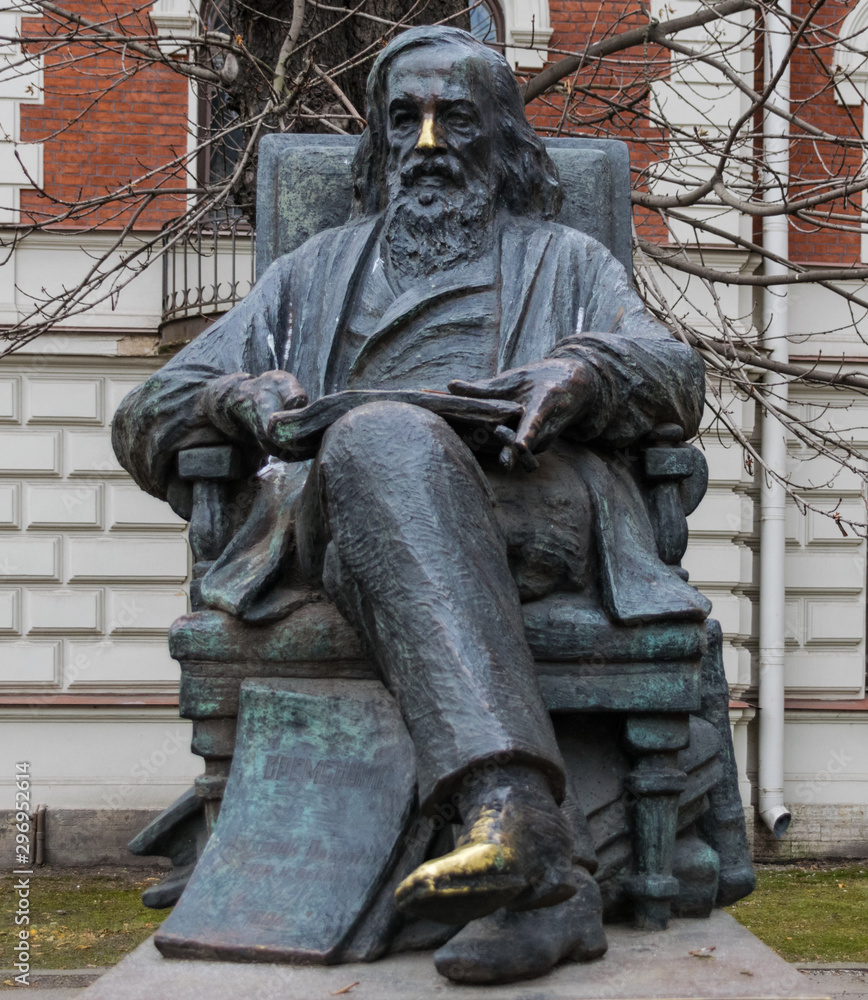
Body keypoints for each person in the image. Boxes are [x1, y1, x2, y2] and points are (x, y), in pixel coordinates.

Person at [113, 24, 712, 982]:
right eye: (405, 121)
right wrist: (239, 396)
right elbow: (146, 415)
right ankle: (524, 833)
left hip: (529, 506)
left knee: (375, 496)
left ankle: (526, 848)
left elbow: (674, 374)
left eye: (456, 120)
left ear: (503, 139)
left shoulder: (564, 261)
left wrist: (579, 371)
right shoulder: (311, 275)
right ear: (382, 143)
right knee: (378, 445)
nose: (427, 145)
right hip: (341, 510)